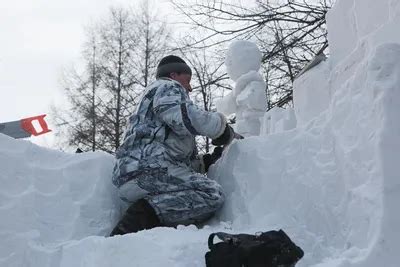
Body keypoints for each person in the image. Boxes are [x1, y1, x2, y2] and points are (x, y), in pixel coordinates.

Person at [110, 55, 238, 236]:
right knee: (211, 194)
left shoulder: (151, 106)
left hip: (136, 172)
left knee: (191, 192)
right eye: (187, 80)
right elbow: (184, 116)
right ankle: (135, 220)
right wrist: (221, 129)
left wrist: (203, 163)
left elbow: (170, 153)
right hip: (148, 170)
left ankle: (140, 232)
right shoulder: (167, 86)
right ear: (173, 74)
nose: (190, 87)